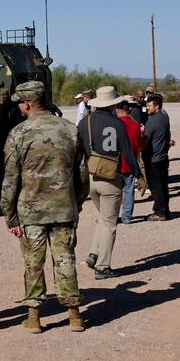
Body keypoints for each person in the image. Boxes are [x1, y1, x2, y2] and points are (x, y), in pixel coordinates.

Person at [0, 80, 88, 334]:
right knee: (65, 260)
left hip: (31, 211)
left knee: (33, 264)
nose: (19, 107)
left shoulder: (19, 133)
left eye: (19, 103)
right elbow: (82, 174)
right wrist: (77, 203)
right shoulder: (69, 129)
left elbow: (10, 179)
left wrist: (10, 215)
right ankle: (74, 316)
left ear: (27, 104)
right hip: (63, 209)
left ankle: (34, 317)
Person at [76, 85, 142, 279]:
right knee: (110, 223)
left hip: (90, 177)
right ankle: (103, 267)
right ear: (112, 104)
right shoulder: (117, 124)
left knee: (104, 218)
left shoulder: (84, 123)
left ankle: (93, 254)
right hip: (110, 178)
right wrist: (138, 175)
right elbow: (128, 153)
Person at [142, 93, 173, 220]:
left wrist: (139, 147)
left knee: (156, 186)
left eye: (149, 105)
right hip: (162, 157)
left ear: (157, 106)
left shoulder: (152, 120)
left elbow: (145, 140)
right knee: (163, 185)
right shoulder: (164, 117)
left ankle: (160, 212)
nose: (147, 108)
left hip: (153, 159)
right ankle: (165, 210)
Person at [115, 100, 145, 224]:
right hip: (131, 162)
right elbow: (138, 145)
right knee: (129, 191)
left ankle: (111, 216)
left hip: (116, 163)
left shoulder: (115, 124)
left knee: (114, 193)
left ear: (118, 110)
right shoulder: (135, 124)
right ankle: (127, 216)